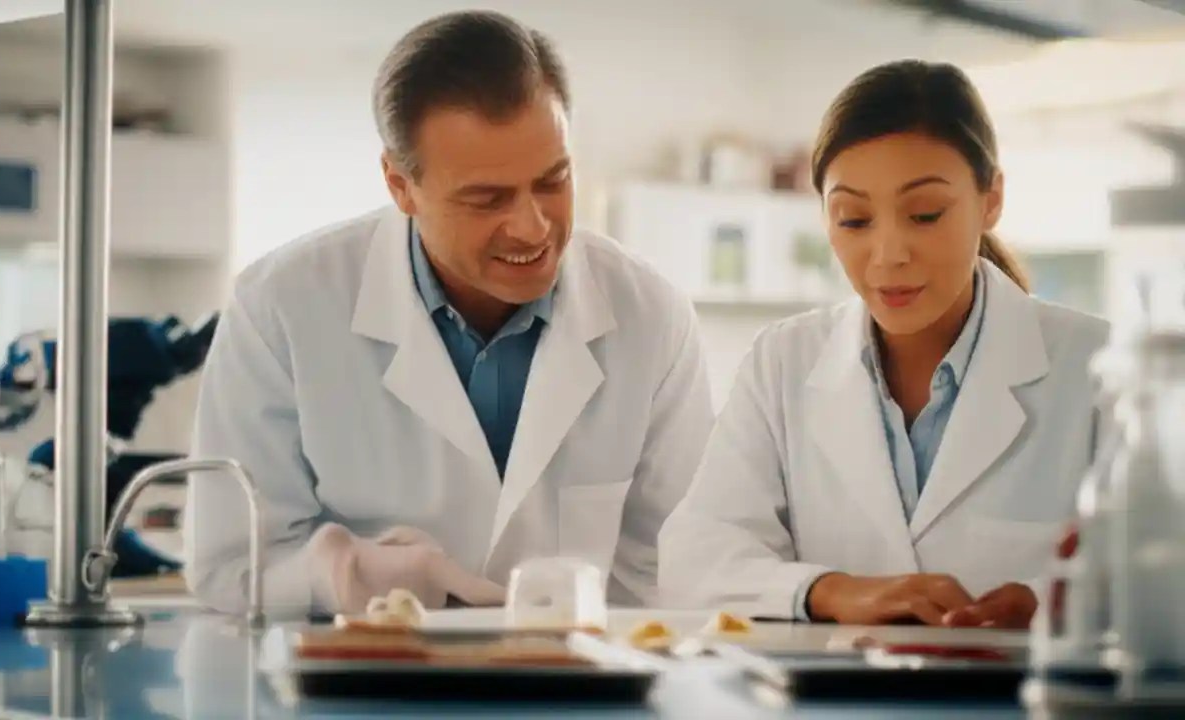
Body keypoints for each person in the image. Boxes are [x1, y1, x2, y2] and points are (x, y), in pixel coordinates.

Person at [187, 11, 713, 616]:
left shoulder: (652, 316)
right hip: (364, 692)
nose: (532, 226)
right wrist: (336, 575)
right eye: (486, 199)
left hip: (579, 691)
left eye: (552, 181)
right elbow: (230, 565)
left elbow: (676, 560)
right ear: (400, 185)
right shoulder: (279, 306)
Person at [658, 60, 1108, 629]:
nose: (888, 253)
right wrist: (834, 591)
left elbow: (1159, 571)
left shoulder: (1101, 368)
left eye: (924, 214)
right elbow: (694, 559)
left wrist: (1058, 606)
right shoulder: (783, 362)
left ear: (990, 199)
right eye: (853, 219)